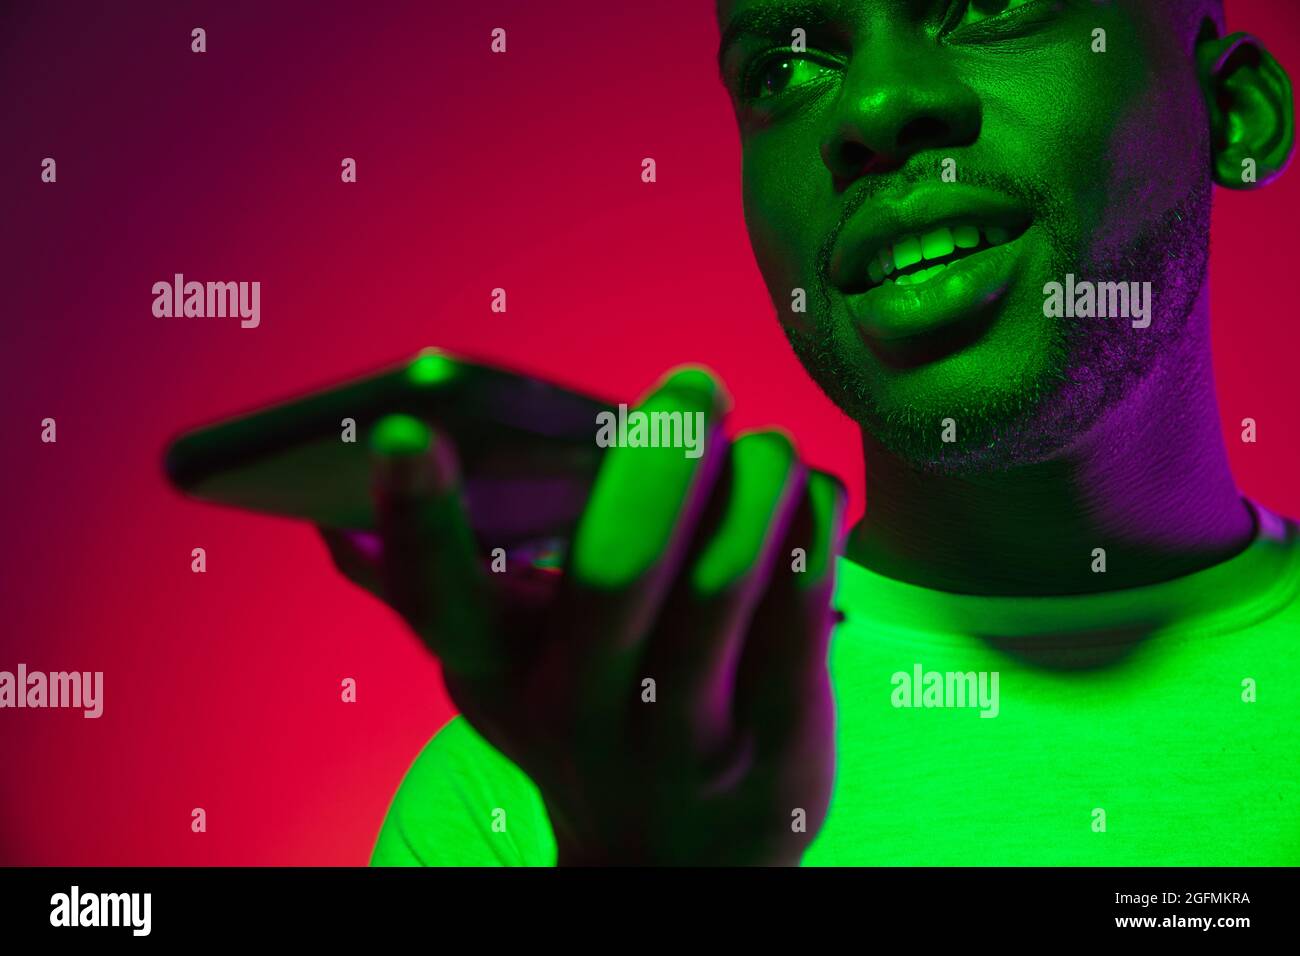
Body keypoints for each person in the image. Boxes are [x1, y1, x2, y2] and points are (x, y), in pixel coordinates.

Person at [322, 0, 1300, 865]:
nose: (873, 106)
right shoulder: (536, 795)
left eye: (991, 4)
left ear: (1234, 113)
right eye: (782, 66)